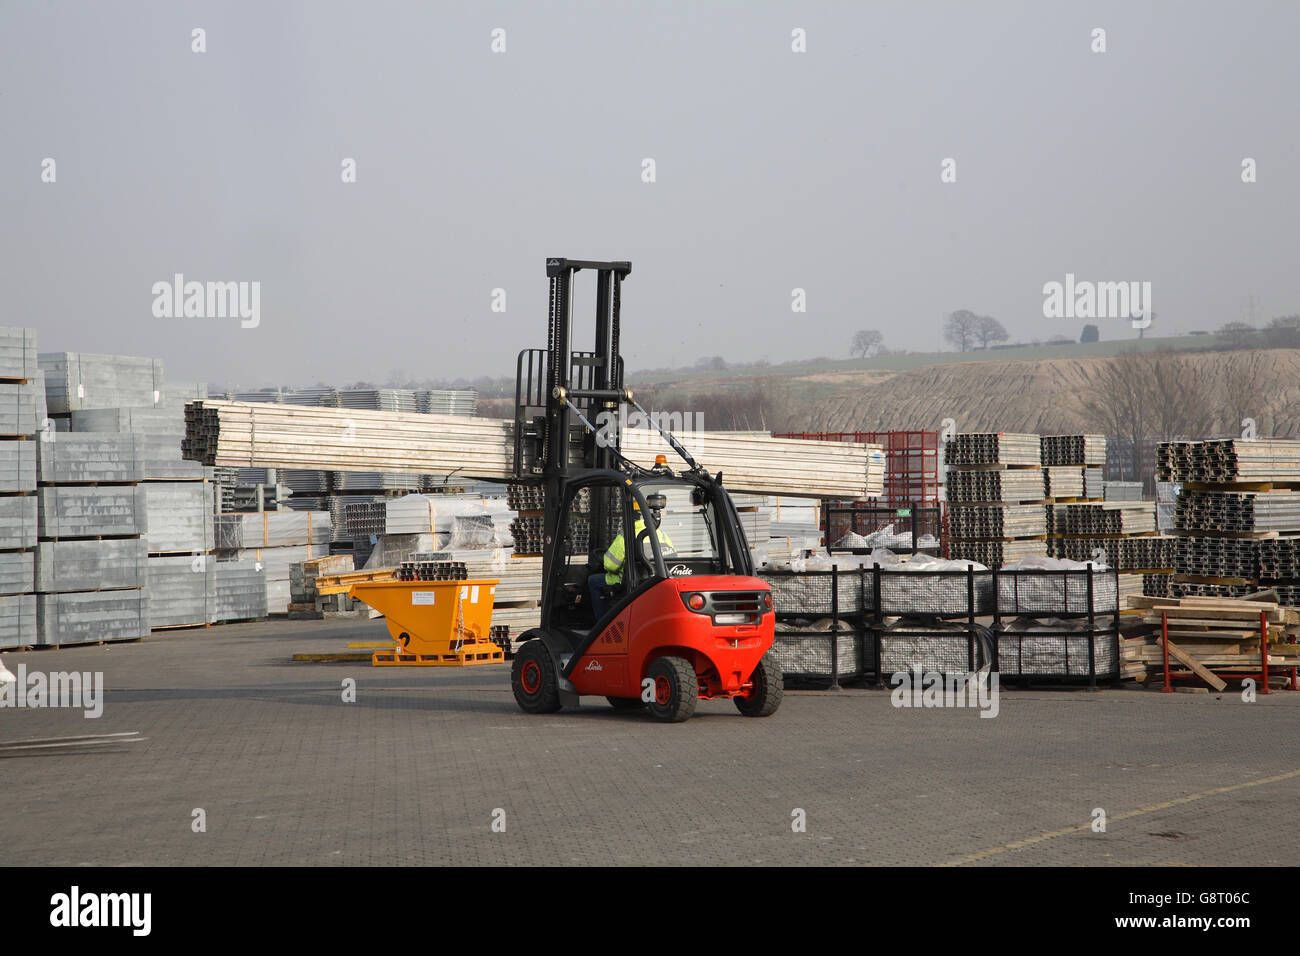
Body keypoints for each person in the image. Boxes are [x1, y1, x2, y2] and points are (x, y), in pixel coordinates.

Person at [588, 494, 675, 621]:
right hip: (656, 582)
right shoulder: (661, 534)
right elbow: (673, 558)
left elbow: (610, 565)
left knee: (593, 581)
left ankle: (600, 622)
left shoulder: (626, 535)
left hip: (628, 582)